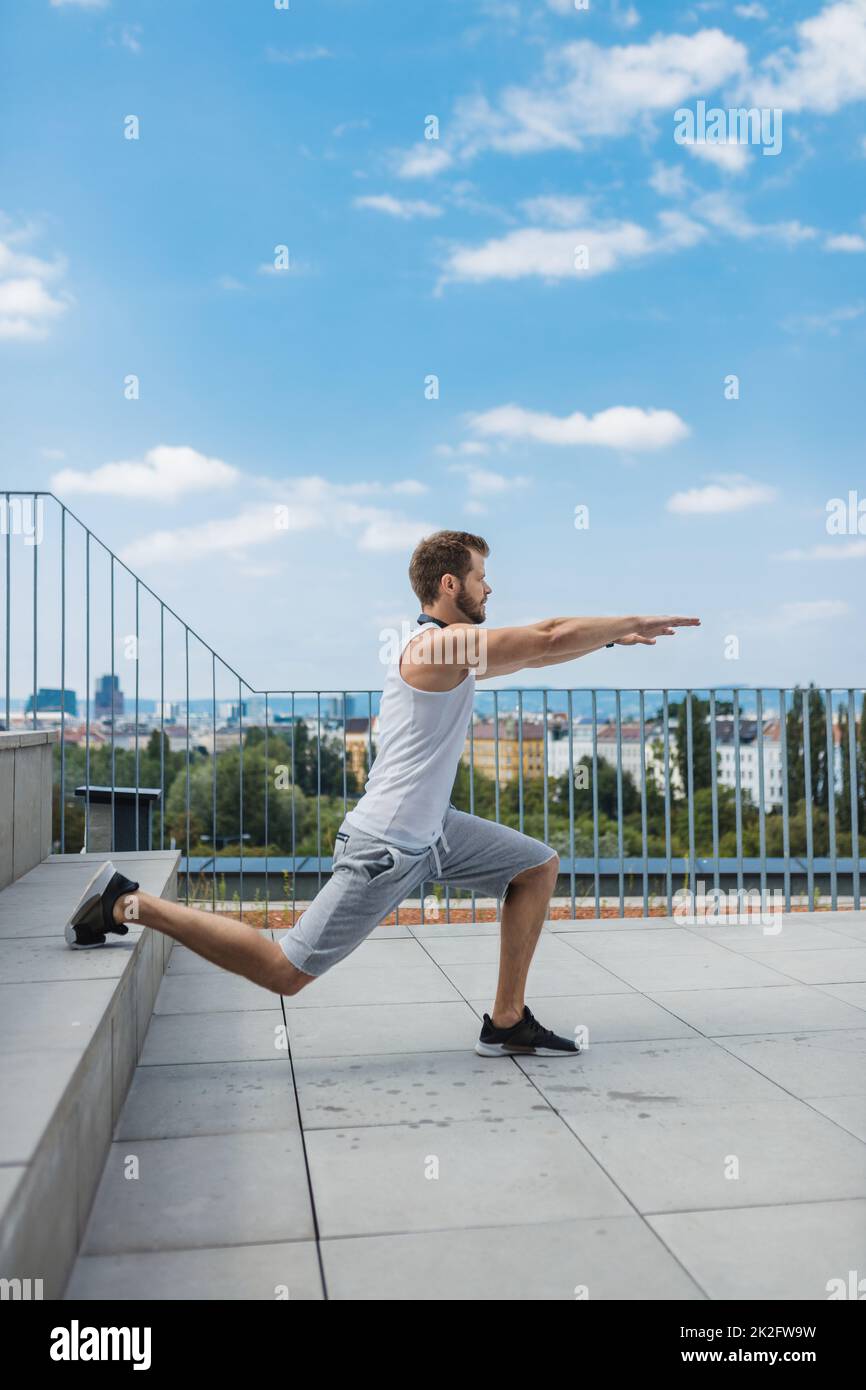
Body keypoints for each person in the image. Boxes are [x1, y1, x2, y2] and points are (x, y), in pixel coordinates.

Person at [65, 530, 699, 1057]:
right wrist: (626, 623)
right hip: (388, 845)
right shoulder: (436, 646)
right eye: (481, 577)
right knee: (286, 972)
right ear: (449, 584)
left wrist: (608, 636)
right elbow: (545, 639)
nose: (489, 588)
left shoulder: (446, 646)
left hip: (435, 832)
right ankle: (127, 904)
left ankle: (506, 1022)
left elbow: (539, 654)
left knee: (535, 866)